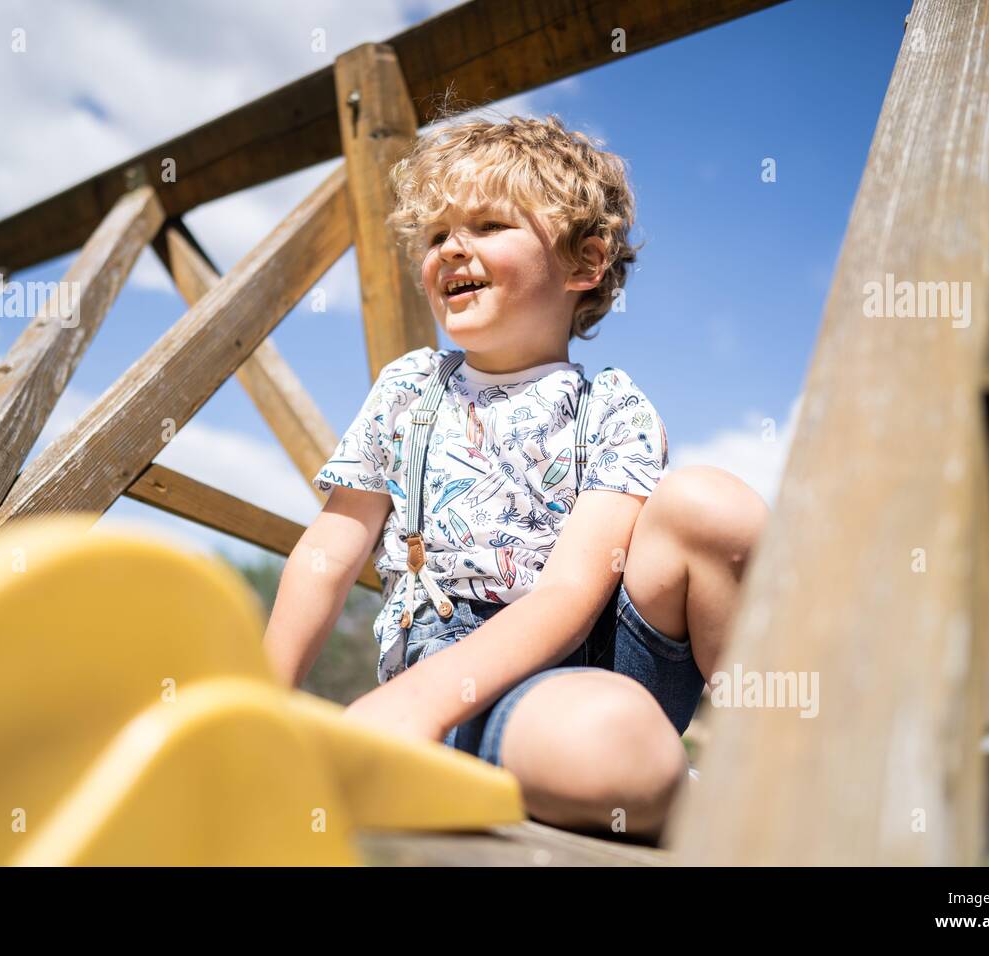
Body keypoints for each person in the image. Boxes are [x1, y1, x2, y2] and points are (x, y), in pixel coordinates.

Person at [263, 113, 768, 841]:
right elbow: (328, 552)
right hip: (459, 670)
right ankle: (663, 789)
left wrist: (421, 705)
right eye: (436, 235)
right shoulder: (410, 389)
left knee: (709, 504)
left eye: (489, 224)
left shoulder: (615, 409)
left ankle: (781, 778)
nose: (451, 249)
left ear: (584, 265)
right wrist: (255, 698)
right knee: (611, 746)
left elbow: (571, 590)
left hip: (594, 655)